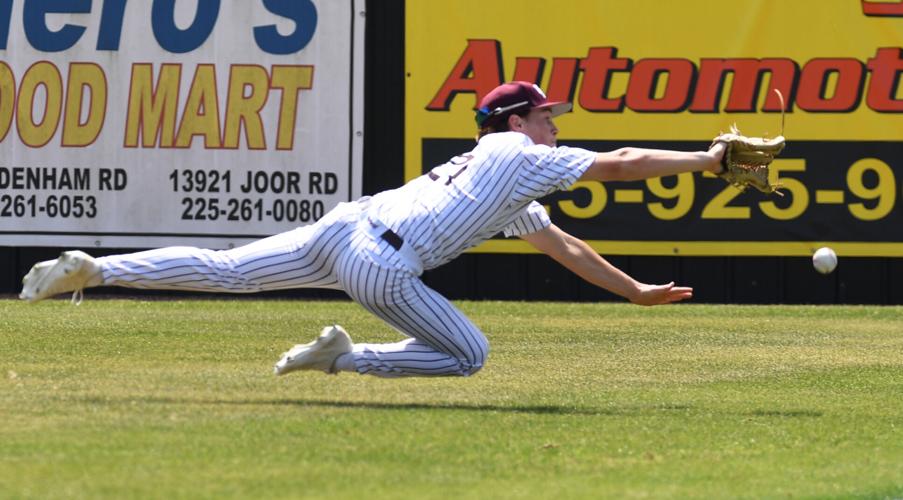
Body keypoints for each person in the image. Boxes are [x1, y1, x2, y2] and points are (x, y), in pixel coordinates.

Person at [20, 81, 728, 378]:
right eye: (546, 116)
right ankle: (345, 357)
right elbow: (622, 163)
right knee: (468, 355)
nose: (554, 125)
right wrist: (706, 158)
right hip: (381, 261)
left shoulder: (497, 169)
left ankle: (98, 269)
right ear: (513, 123)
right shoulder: (518, 154)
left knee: (226, 269)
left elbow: (559, 243)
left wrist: (634, 290)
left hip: (348, 226)